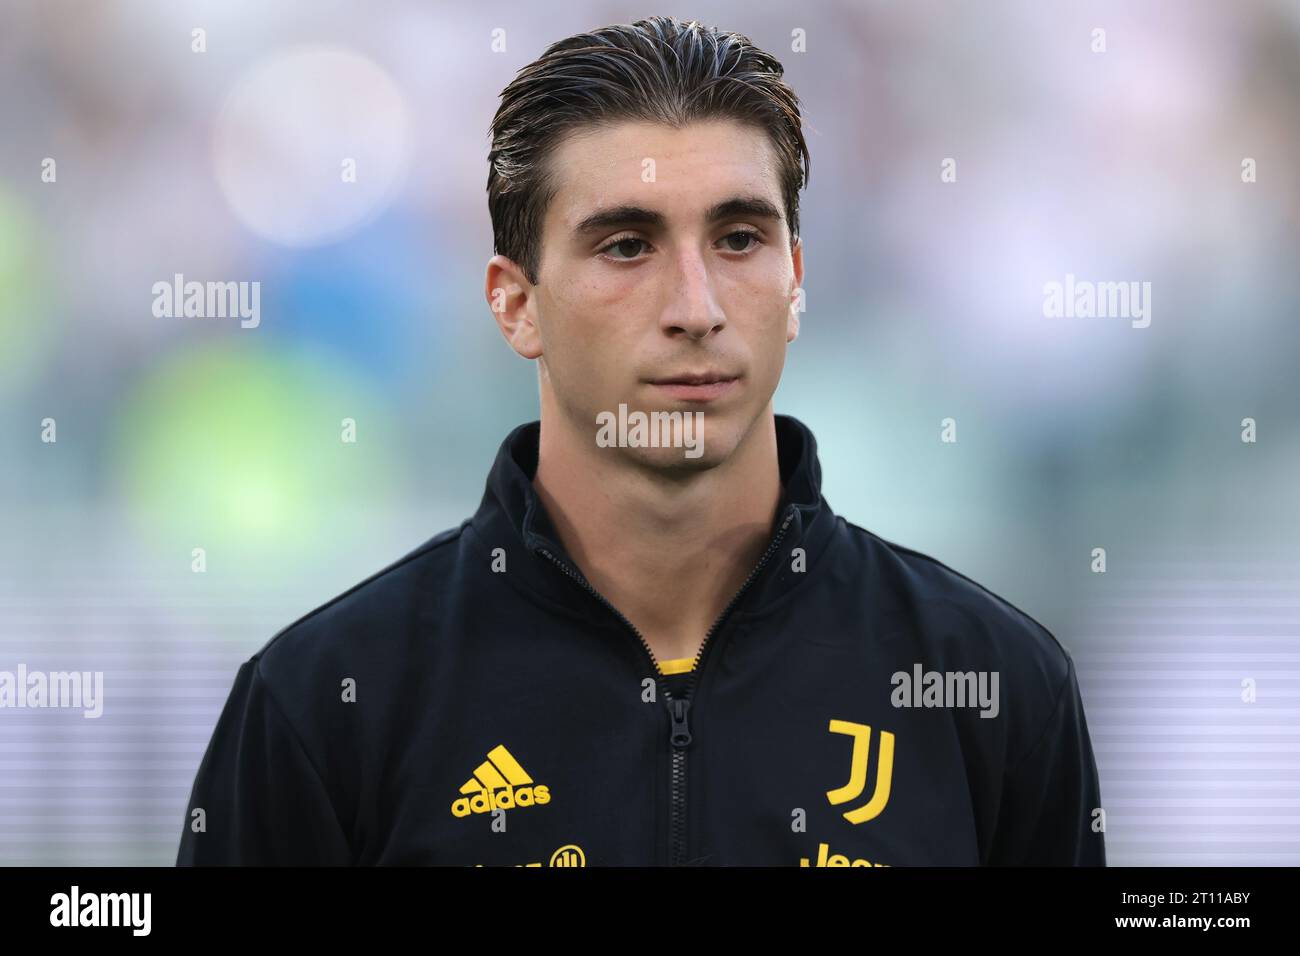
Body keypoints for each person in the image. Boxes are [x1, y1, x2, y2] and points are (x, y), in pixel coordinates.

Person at [177, 15, 1104, 867]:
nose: (696, 308)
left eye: (738, 240)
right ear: (515, 302)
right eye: (627, 245)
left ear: (796, 281)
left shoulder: (990, 683)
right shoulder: (327, 701)